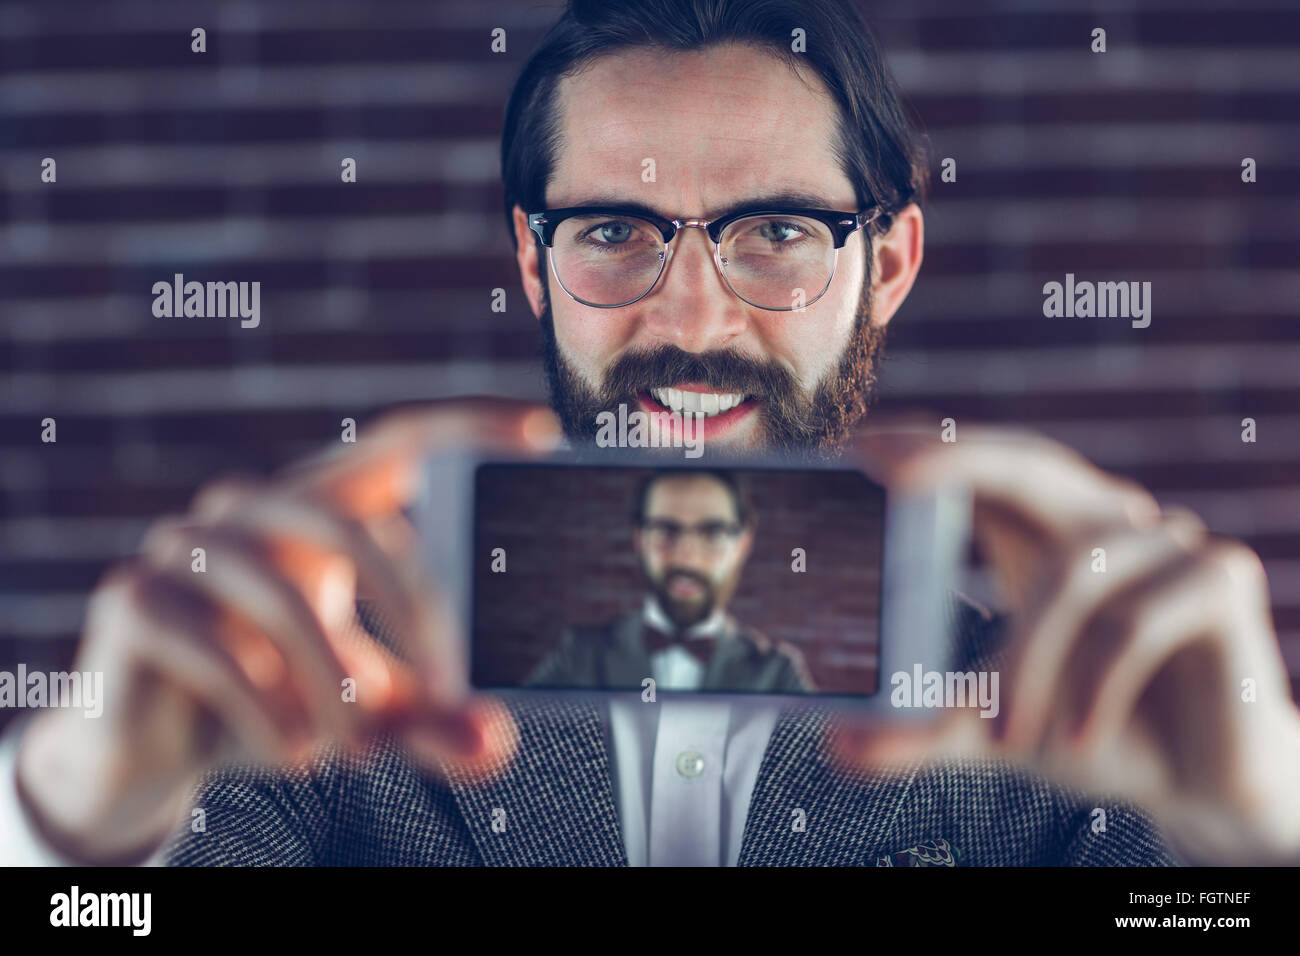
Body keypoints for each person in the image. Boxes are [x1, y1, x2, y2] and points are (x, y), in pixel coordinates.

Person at [4, 0, 1299, 867]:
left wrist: (1264, 840)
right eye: (615, 230)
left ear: (889, 264)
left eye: (778, 231)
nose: (693, 317)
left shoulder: (1076, 741)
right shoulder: (324, 709)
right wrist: (65, 823)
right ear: (531, 259)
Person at [524, 469, 816, 693]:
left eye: (713, 532)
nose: (686, 558)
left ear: (742, 545)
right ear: (639, 540)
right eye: (665, 530)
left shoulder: (779, 673)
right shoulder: (579, 655)